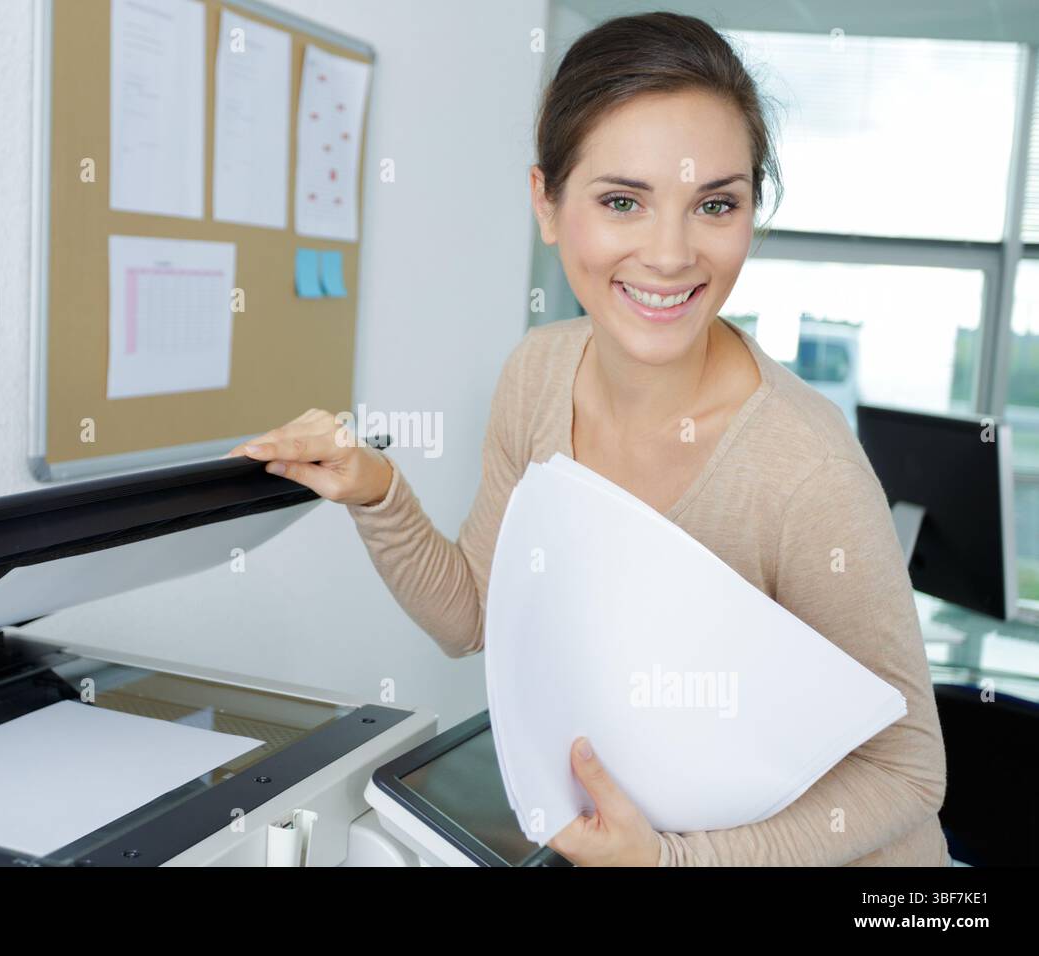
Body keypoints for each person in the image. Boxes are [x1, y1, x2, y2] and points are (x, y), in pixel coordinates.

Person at [227, 11, 948, 867]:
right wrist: (376, 489)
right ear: (546, 203)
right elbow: (475, 617)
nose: (671, 254)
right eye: (621, 201)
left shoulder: (806, 467)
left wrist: (675, 864)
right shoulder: (536, 376)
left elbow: (906, 774)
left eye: (716, 203)